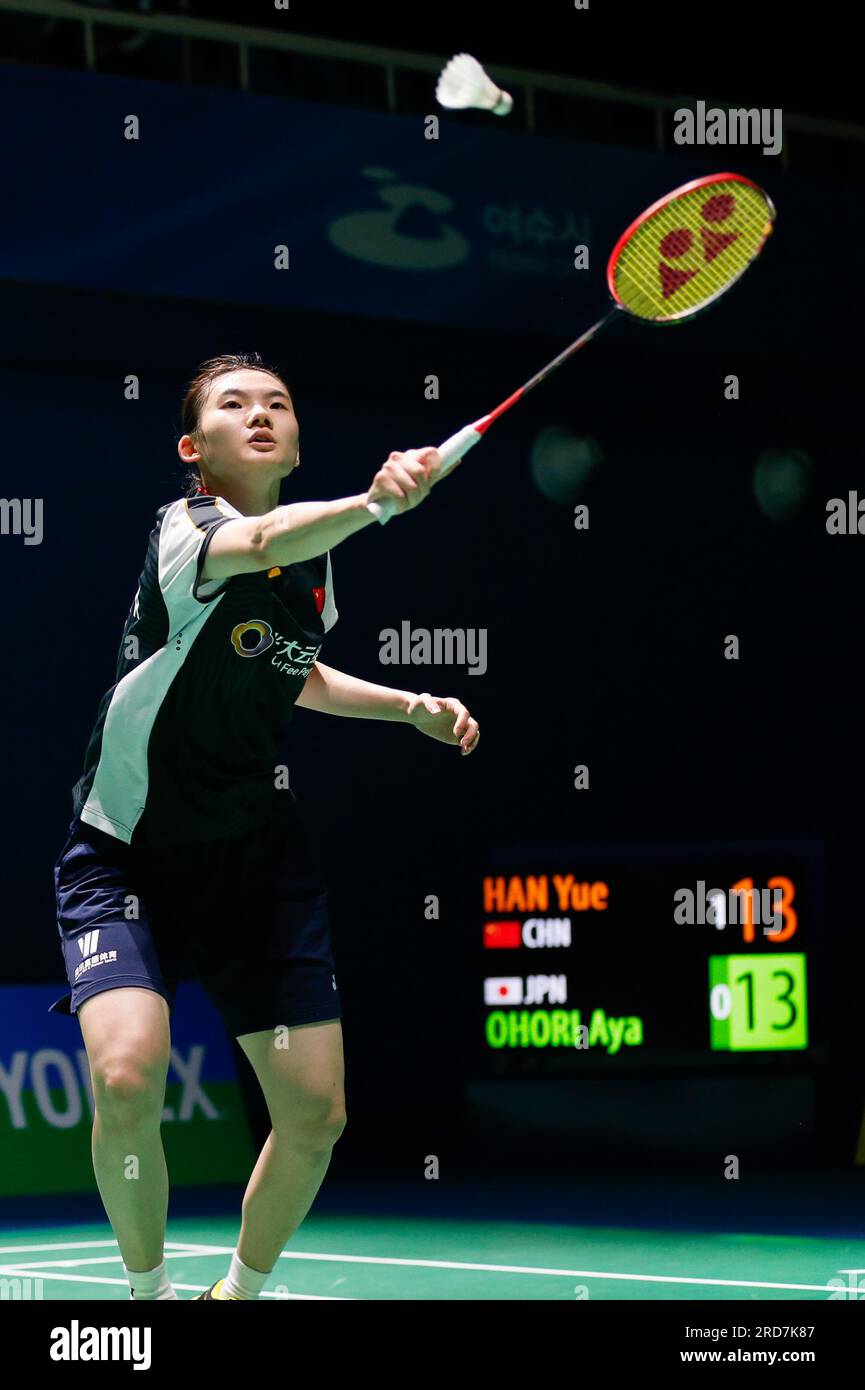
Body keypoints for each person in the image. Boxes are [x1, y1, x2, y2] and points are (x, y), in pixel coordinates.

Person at [49, 352, 480, 1300]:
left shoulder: (313, 570)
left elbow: (297, 672)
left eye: (278, 403)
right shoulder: (187, 528)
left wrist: (407, 704)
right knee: (125, 1079)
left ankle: (235, 1296)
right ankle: (148, 1300)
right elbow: (265, 540)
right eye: (233, 404)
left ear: (293, 439)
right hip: (124, 852)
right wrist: (374, 504)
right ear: (191, 448)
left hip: (250, 859)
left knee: (316, 1113)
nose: (259, 415)